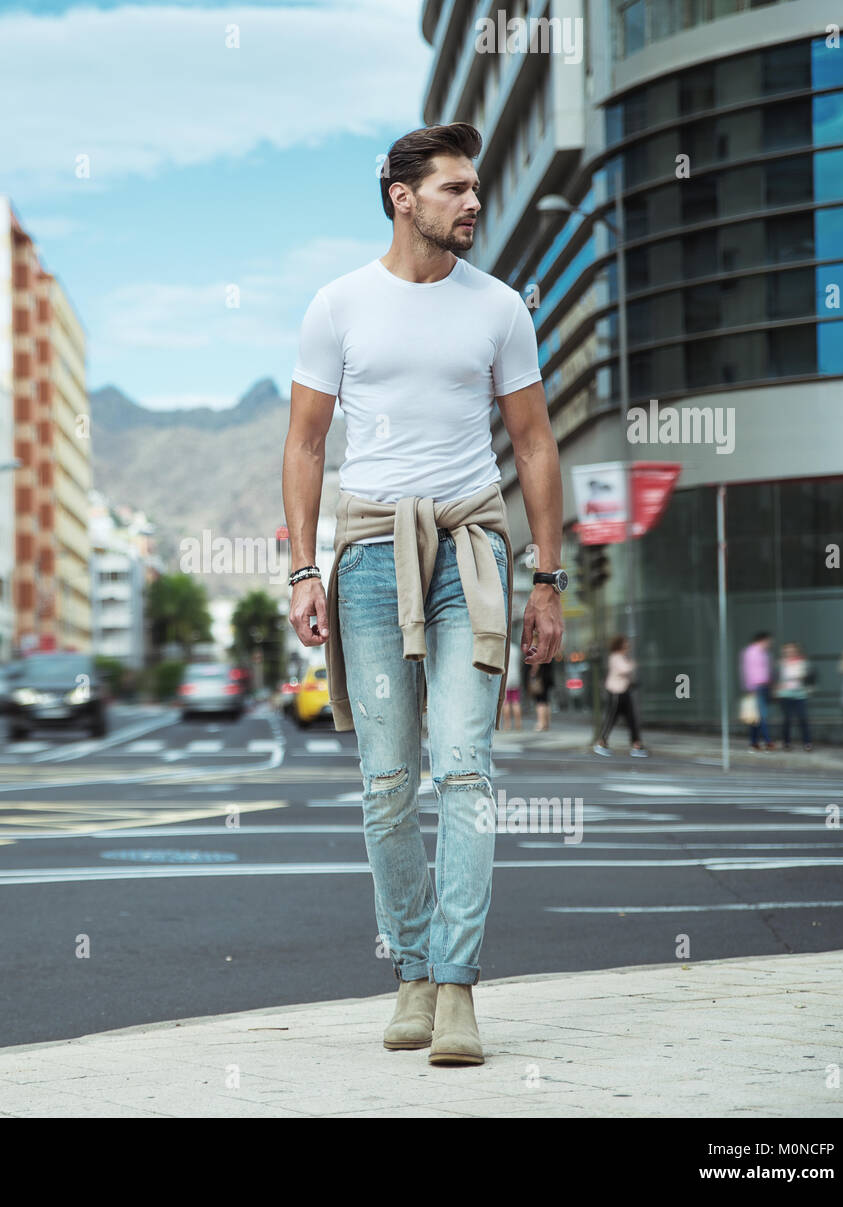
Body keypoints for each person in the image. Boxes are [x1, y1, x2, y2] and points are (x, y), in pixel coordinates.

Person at [283, 122, 563, 1068]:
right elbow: (307, 444)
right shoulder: (338, 304)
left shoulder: (499, 309)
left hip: (474, 550)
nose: (473, 202)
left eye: (476, 187)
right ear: (401, 197)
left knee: (467, 766)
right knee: (389, 780)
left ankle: (456, 987)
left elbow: (533, 444)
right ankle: (408, 966)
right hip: (366, 554)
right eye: (454, 189)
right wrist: (299, 569)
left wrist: (550, 581)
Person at [592, 635, 647, 756]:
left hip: (624, 692)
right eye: (625, 643)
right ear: (619, 645)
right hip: (616, 693)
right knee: (611, 718)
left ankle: (636, 744)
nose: (627, 646)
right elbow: (624, 669)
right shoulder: (615, 657)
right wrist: (632, 664)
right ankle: (601, 742)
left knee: (632, 719)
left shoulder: (622, 657)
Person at [775, 641, 813, 751]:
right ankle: (786, 743)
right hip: (785, 694)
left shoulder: (803, 662)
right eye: (787, 650)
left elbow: (809, 677)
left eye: (792, 650)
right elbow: (776, 678)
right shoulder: (781, 663)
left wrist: (803, 676)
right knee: (787, 720)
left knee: (803, 718)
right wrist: (777, 687)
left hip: (800, 694)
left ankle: (807, 742)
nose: (790, 652)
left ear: (796, 651)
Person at [741, 631, 774, 752]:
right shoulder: (751, 652)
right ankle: (767, 741)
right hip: (756, 687)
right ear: (762, 640)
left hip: (765, 686)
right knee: (761, 715)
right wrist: (750, 688)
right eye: (768, 641)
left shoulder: (765, 653)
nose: (770, 643)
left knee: (755, 717)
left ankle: (754, 742)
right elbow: (747, 670)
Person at [527, 655, 554, 730]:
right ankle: (547, 724)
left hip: (540, 678)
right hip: (548, 677)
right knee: (546, 701)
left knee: (540, 701)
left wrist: (533, 673)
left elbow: (536, 664)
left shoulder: (539, 648)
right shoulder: (549, 647)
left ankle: (541, 723)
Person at [503, 636, 523, 730]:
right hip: (516, 677)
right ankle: (518, 724)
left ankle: (507, 725)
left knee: (506, 702)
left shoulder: (503, 649)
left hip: (506, 678)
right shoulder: (516, 649)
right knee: (516, 701)